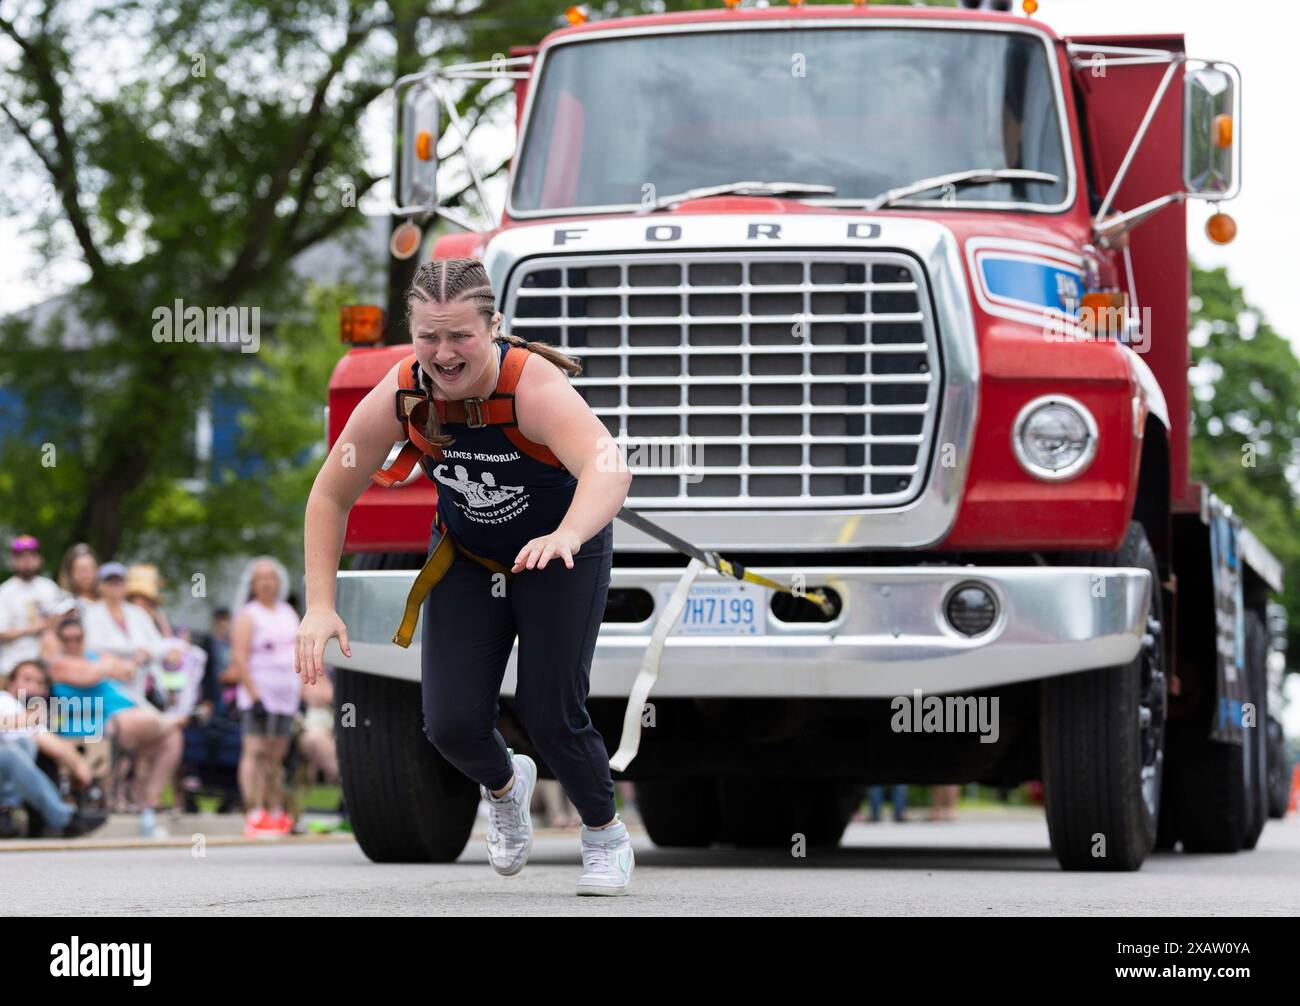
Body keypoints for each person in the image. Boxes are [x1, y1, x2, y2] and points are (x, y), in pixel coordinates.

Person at [297, 257, 636, 895]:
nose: (444, 353)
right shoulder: (403, 390)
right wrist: (319, 604)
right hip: (469, 557)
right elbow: (329, 495)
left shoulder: (530, 387)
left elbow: (609, 468)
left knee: (550, 714)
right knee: (449, 724)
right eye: (429, 336)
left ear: (494, 326)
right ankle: (506, 786)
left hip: (558, 555)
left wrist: (567, 534)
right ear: (411, 333)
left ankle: (604, 835)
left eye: (461, 336)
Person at [76, 563, 186, 836]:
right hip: (108, 696)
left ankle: (148, 802)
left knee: (172, 739)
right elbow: (92, 648)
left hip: (136, 696)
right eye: (109, 581)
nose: (115, 586)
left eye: (119, 581)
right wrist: (134, 654)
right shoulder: (92, 615)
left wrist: (143, 654)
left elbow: (163, 646)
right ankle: (172, 721)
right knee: (145, 726)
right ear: (100, 585)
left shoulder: (137, 615)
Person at [230, 557, 302, 838]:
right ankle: (254, 809)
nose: (266, 583)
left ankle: (275, 808)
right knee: (255, 750)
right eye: (260, 578)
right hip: (259, 693)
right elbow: (239, 656)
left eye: (271, 577)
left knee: (276, 754)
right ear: (252, 584)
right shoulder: (249, 615)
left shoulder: (288, 612)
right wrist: (254, 693)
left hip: (286, 696)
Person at [0, 659, 108, 839]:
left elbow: (51, 743)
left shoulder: (25, 713)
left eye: (39, 682)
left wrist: (78, 764)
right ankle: (62, 818)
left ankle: (7, 812)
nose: (32, 686)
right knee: (14, 750)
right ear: (11, 683)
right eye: (27, 679)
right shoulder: (4, 700)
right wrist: (78, 765)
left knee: (25, 744)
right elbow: (47, 742)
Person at [0, 535, 69, 679]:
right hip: (14, 668)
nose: (27, 561)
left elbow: (65, 618)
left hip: (48, 669)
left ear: (39, 559)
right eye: (21, 557)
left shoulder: (49, 587)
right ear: (13, 561)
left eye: (31, 555)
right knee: (21, 694)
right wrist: (30, 629)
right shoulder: (5, 592)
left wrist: (53, 623)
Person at [55, 543, 100, 618]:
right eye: (80, 570)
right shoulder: (65, 606)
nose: (86, 574)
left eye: (90, 568)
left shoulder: (109, 601)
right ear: (70, 573)